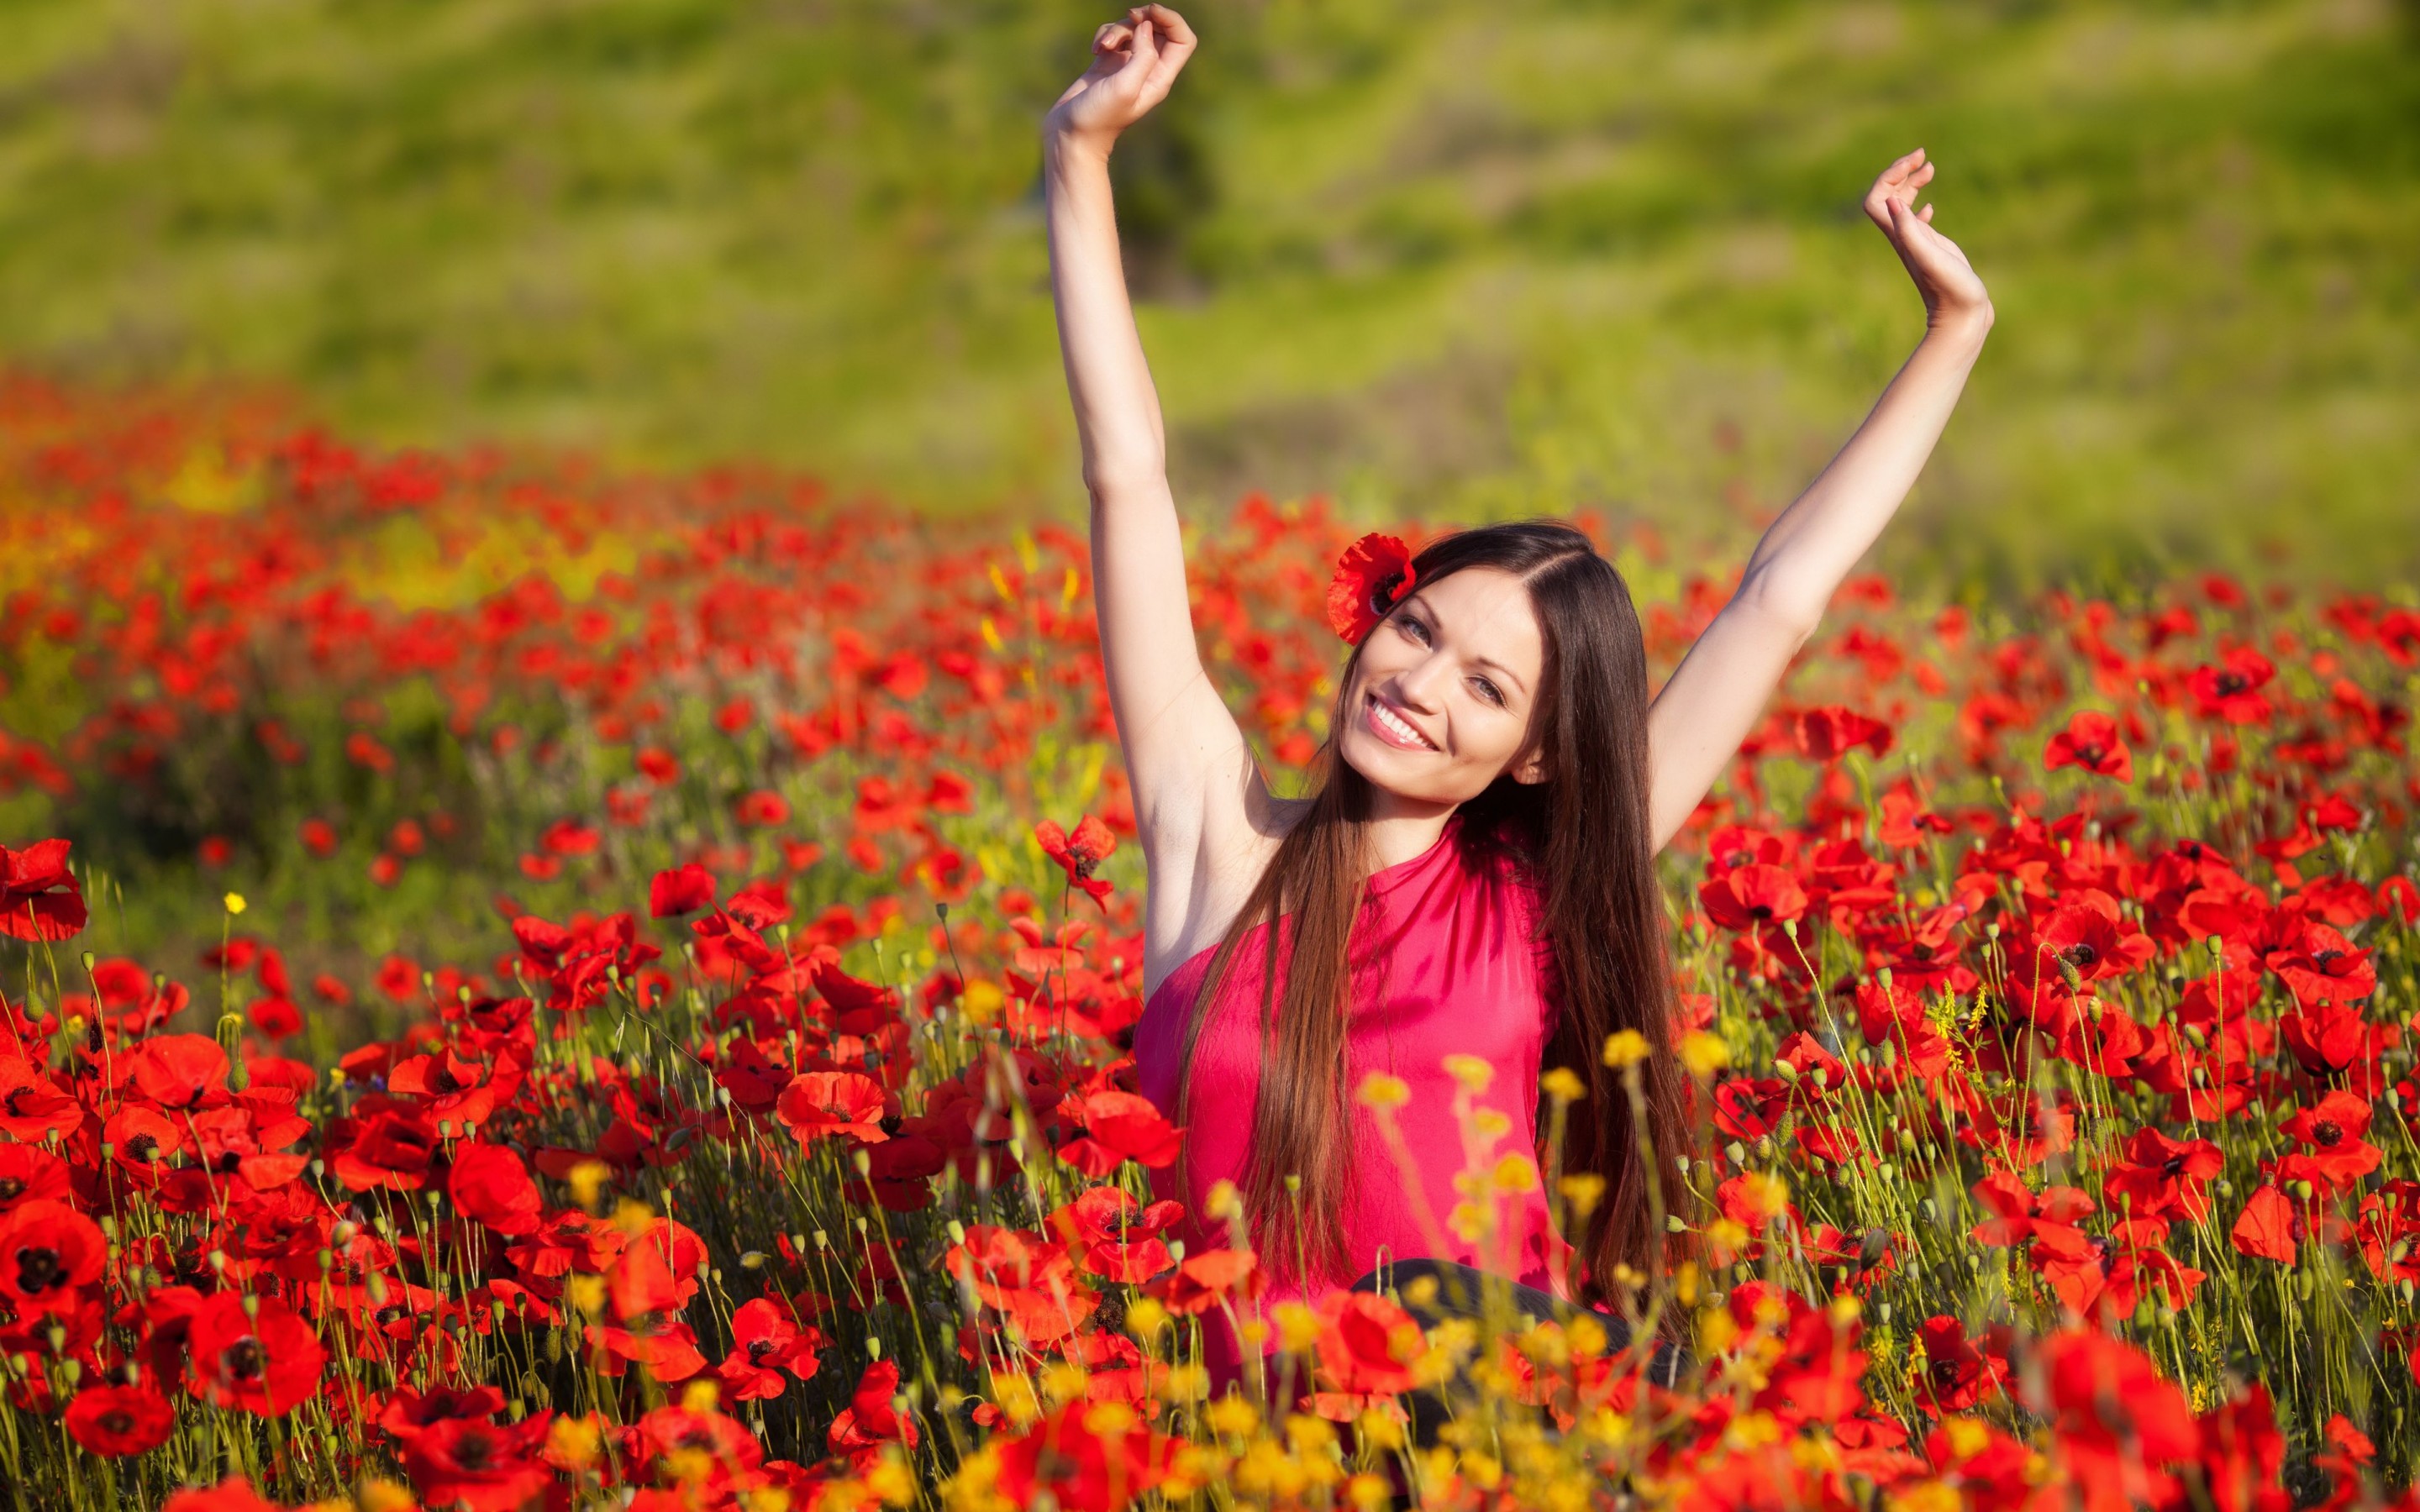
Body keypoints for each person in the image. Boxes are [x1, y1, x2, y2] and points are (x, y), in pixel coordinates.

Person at [1043, 4, 1993, 1409]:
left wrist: (1955, 327)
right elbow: (1129, 477)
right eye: (1417, 630)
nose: (1417, 687)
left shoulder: (1537, 889)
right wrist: (1080, 159)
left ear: (1544, 751)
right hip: (1257, 1463)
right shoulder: (1216, 846)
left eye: (1486, 686)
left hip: (1512, 1445)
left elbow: (1777, 599)